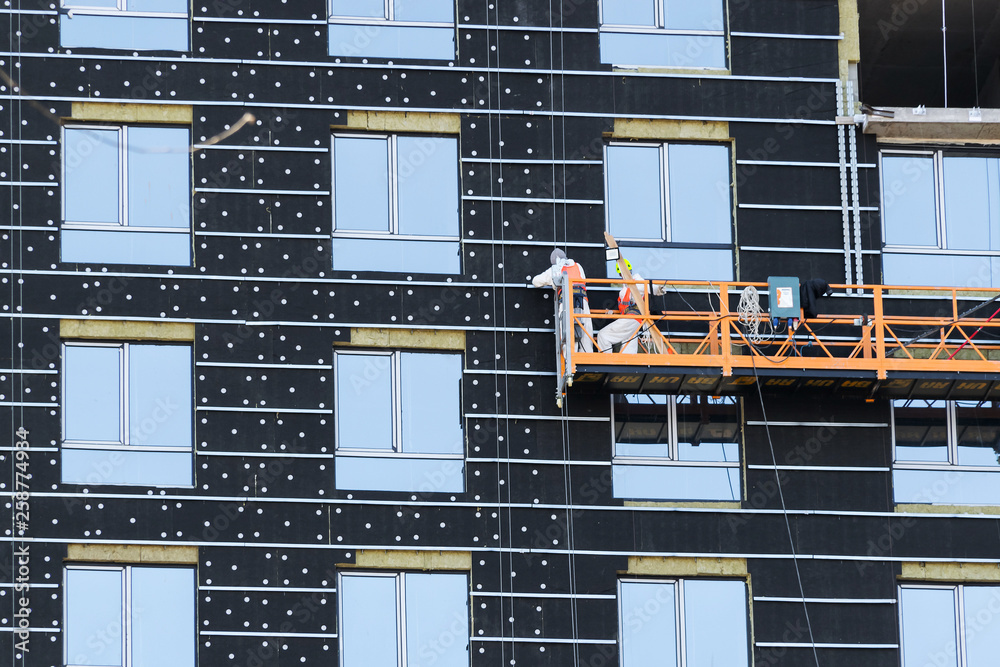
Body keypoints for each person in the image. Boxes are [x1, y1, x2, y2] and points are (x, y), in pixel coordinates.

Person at [596, 258, 665, 354]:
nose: (622, 276)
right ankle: (628, 367)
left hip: (632, 319)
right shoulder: (625, 287)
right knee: (628, 349)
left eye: (622, 273)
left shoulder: (635, 281)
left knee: (603, 335)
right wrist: (612, 312)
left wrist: (659, 289)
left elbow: (646, 286)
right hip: (631, 320)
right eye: (621, 274)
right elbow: (624, 306)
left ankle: (606, 362)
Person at [532, 248, 594, 353]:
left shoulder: (554, 270)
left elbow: (536, 281)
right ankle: (587, 355)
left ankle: (569, 359)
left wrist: (553, 283)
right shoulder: (577, 266)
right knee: (586, 329)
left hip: (567, 302)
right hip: (582, 301)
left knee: (568, 329)